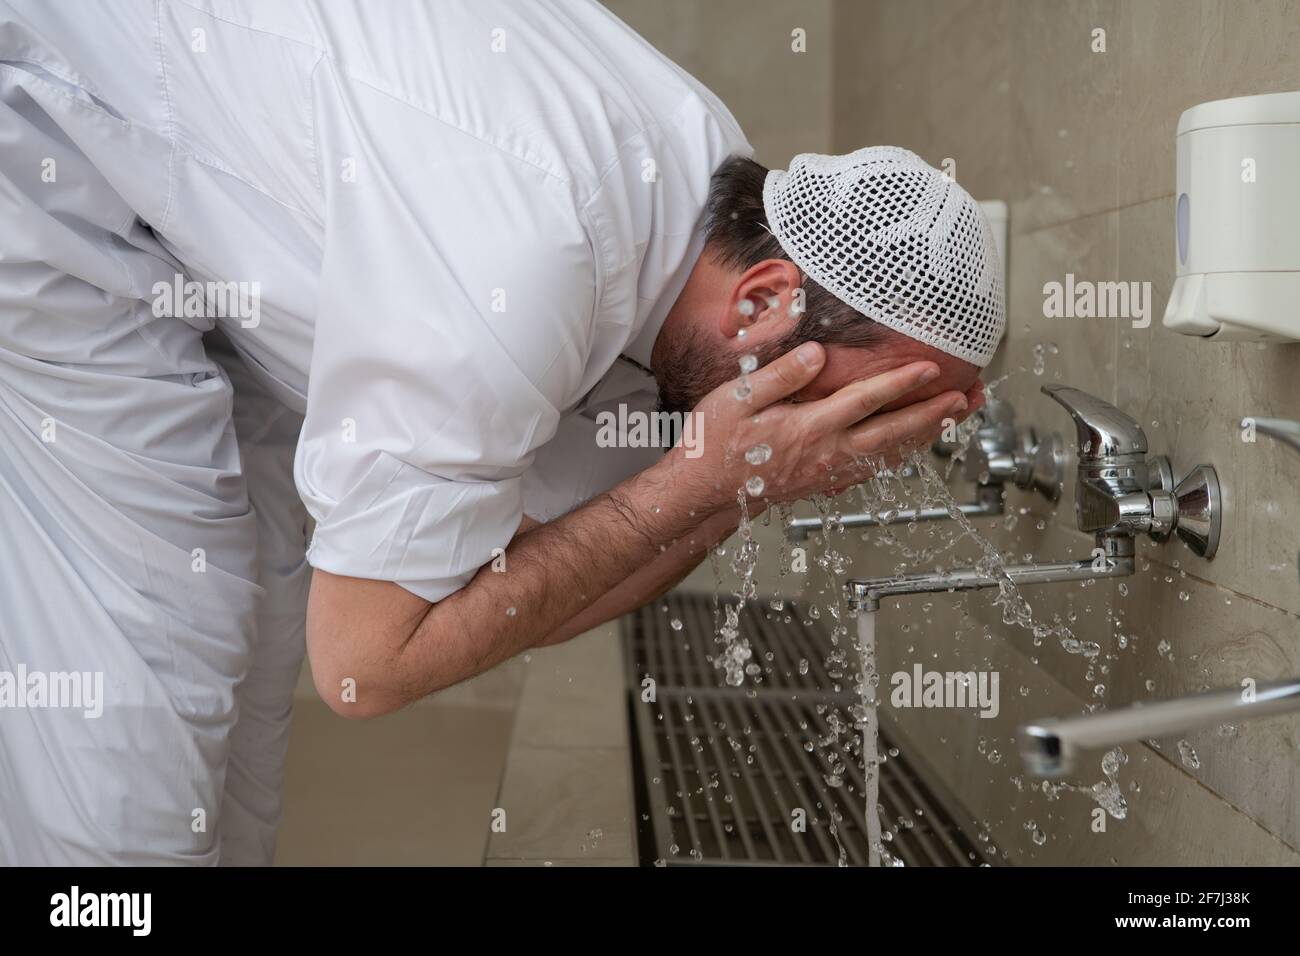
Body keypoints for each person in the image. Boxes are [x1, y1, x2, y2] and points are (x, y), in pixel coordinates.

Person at [0, 0, 1001, 864]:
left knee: (249, 685)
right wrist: (707, 481)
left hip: (221, 237)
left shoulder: (709, 231)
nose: (861, 453)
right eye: (870, 410)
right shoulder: (523, 267)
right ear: (766, 301)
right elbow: (365, 665)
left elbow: (525, 578)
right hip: (53, 145)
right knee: (155, 673)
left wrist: (740, 480)